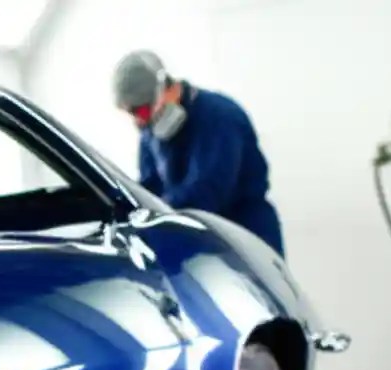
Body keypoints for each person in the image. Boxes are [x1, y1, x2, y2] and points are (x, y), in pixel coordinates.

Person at [113, 50, 285, 257]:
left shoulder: (219, 117)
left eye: (141, 112)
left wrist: (155, 216)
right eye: (132, 114)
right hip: (201, 240)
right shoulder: (151, 130)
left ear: (165, 90)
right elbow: (150, 187)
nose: (139, 122)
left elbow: (207, 192)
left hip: (246, 234)